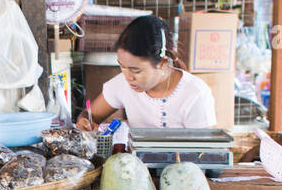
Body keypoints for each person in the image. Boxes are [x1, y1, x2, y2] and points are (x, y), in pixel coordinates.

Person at [76, 15, 217, 131]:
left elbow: (204, 152)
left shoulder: (195, 93)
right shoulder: (122, 84)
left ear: (162, 63)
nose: (128, 77)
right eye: (122, 67)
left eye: (136, 70)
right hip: (136, 163)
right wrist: (85, 122)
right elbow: (90, 116)